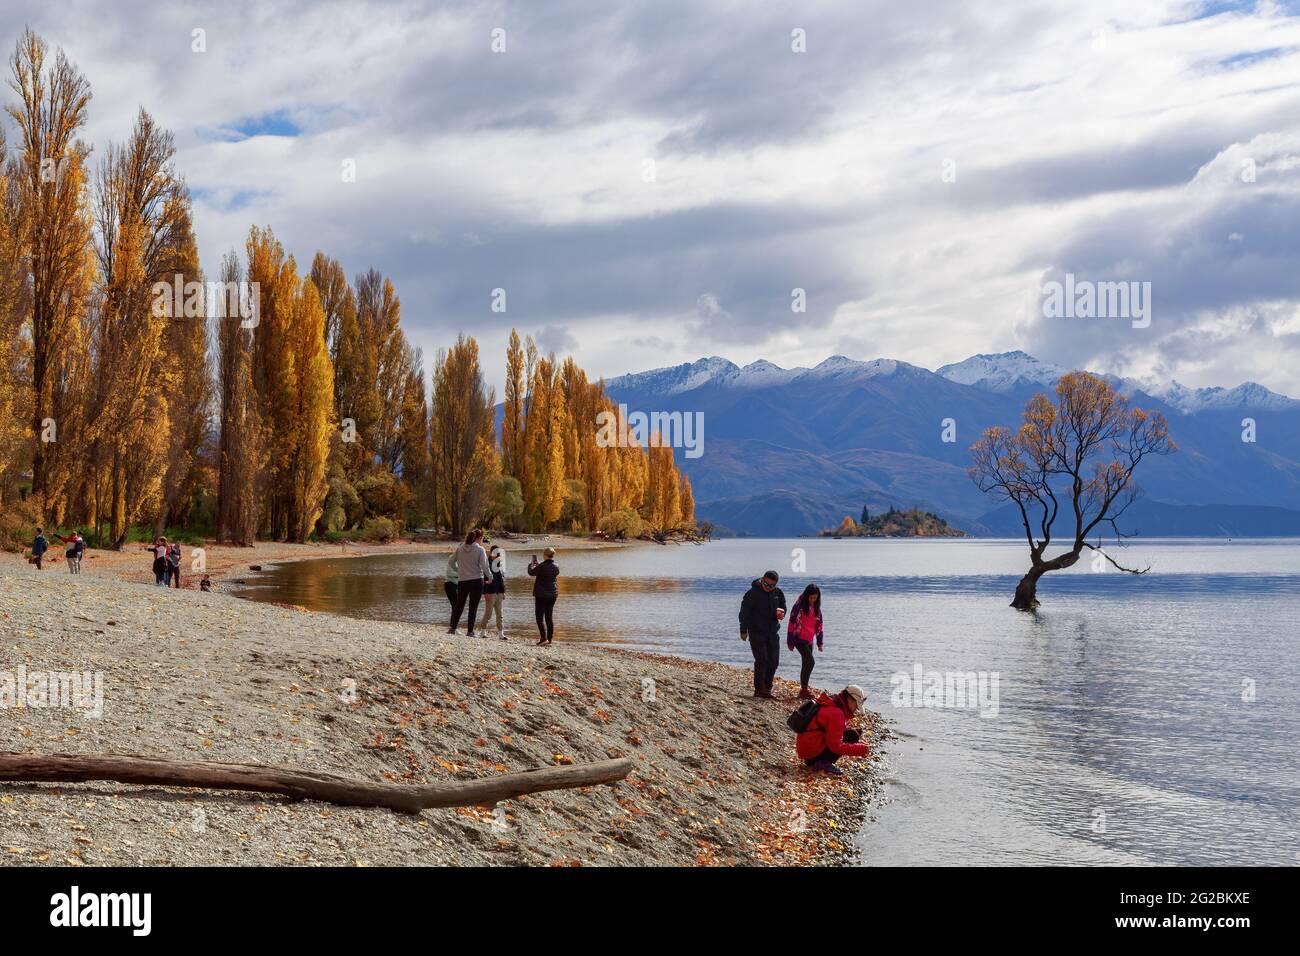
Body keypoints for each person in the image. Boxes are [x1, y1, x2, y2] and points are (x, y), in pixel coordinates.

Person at [796, 684, 869, 775]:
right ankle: (822, 762)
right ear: (850, 699)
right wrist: (861, 749)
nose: (856, 710)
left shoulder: (831, 702)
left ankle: (818, 761)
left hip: (805, 749)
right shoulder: (836, 713)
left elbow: (831, 728)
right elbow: (836, 747)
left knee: (852, 733)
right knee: (852, 736)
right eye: (856, 706)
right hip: (812, 755)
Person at [739, 570, 786, 698]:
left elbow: (783, 607)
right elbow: (744, 613)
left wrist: (782, 614)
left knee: (774, 662)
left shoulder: (778, 593)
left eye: (771, 586)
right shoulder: (752, 593)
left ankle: (767, 687)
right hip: (756, 632)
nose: (768, 587)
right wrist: (743, 630)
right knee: (762, 660)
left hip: (773, 632)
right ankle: (759, 690)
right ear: (762, 580)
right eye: (766, 584)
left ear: (775, 584)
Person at [448, 529, 491, 636]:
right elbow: (484, 566)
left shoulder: (460, 548)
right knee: (473, 606)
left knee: (459, 604)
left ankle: (453, 628)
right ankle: (470, 631)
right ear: (478, 538)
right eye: (481, 539)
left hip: (462, 580)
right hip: (476, 580)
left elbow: (451, 561)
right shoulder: (480, 550)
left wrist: (457, 570)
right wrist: (490, 577)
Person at [787, 583, 823, 700]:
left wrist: (819, 642)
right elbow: (791, 623)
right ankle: (804, 689)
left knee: (805, 663)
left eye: (815, 598)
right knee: (810, 662)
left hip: (809, 640)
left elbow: (819, 626)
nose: (812, 600)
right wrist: (790, 641)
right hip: (798, 639)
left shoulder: (816, 608)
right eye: (811, 597)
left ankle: (803, 690)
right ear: (806, 595)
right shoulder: (799, 606)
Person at [527, 548, 559, 646]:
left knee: (539, 617)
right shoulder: (556, 566)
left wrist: (530, 565)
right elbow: (550, 572)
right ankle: (549, 639)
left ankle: (543, 637)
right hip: (553, 594)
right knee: (549, 617)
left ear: (545, 555)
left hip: (541, 595)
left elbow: (531, 573)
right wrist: (539, 565)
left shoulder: (541, 566)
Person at [482, 544, 507, 640]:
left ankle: (501, 634)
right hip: (490, 592)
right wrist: (485, 592)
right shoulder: (486, 563)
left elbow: (501, 579)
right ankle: (482, 632)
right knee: (488, 614)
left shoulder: (498, 563)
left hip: (499, 593)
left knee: (500, 614)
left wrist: (503, 591)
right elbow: (484, 579)